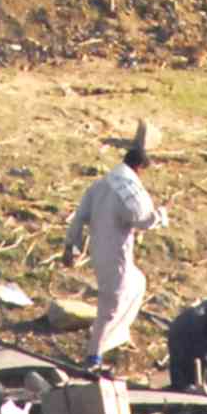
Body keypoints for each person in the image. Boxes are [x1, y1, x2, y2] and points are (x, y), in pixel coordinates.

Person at [63, 118, 167, 370]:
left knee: (138, 283)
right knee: (111, 306)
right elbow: (142, 219)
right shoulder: (128, 189)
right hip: (115, 255)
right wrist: (162, 215)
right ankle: (93, 356)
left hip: (101, 251)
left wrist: (71, 246)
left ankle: (115, 337)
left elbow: (79, 216)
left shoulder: (100, 184)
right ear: (140, 167)